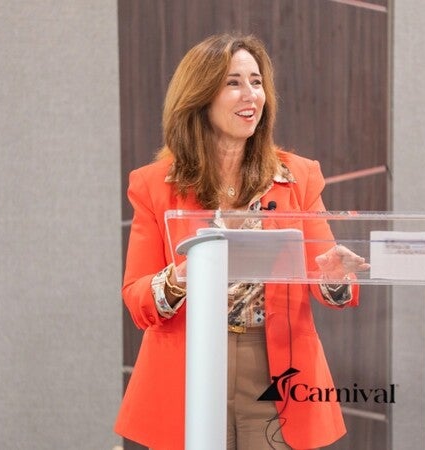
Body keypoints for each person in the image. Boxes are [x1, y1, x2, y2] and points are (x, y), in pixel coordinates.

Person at [114, 33, 370, 450]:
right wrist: (181, 277)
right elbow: (137, 298)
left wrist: (335, 276)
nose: (251, 94)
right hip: (188, 365)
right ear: (200, 97)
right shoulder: (153, 185)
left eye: (256, 82)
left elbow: (328, 277)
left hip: (275, 369)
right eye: (233, 83)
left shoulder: (299, 176)